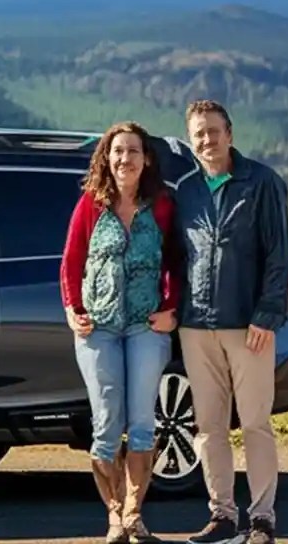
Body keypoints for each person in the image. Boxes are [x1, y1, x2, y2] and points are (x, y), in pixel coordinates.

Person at [168, 100, 288, 544]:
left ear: (230, 134)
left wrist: (267, 314)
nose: (207, 140)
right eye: (199, 133)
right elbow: (177, 258)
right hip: (196, 326)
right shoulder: (185, 189)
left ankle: (262, 519)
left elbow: (280, 256)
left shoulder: (262, 183)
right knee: (209, 426)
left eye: (214, 131)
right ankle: (222, 516)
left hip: (249, 325)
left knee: (256, 423)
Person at [60, 120, 181, 544]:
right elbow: (71, 262)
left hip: (146, 325)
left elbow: (179, 261)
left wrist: (173, 311)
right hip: (100, 328)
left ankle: (134, 514)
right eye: (117, 151)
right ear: (106, 159)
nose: (124, 158)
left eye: (132, 151)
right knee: (107, 425)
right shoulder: (91, 205)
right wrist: (73, 310)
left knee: (143, 422)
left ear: (145, 158)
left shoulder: (163, 205)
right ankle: (113, 513)